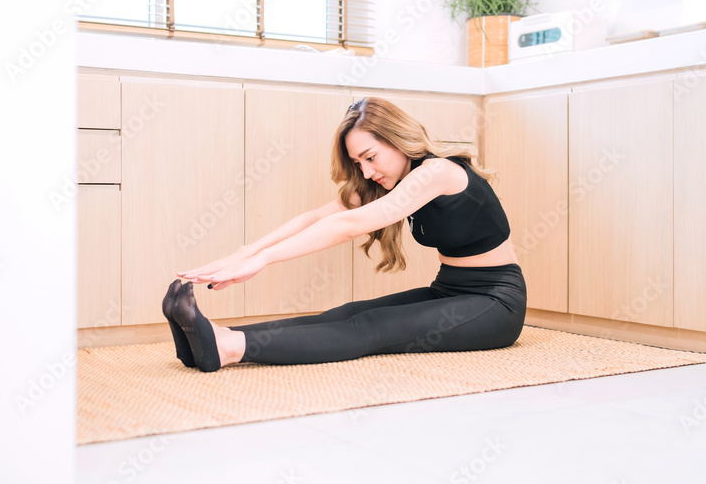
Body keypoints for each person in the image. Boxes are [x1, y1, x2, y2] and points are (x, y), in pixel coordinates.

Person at [165, 96, 527, 372]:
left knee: (371, 327)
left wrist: (262, 261)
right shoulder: (396, 180)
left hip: (496, 303)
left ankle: (229, 348)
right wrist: (244, 253)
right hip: (450, 290)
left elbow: (349, 225)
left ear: (397, 139)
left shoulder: (437, 173)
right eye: (358, 163)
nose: (366, 172)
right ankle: (215, 338)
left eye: (370, 157)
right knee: (344, 313)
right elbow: (317, 217)